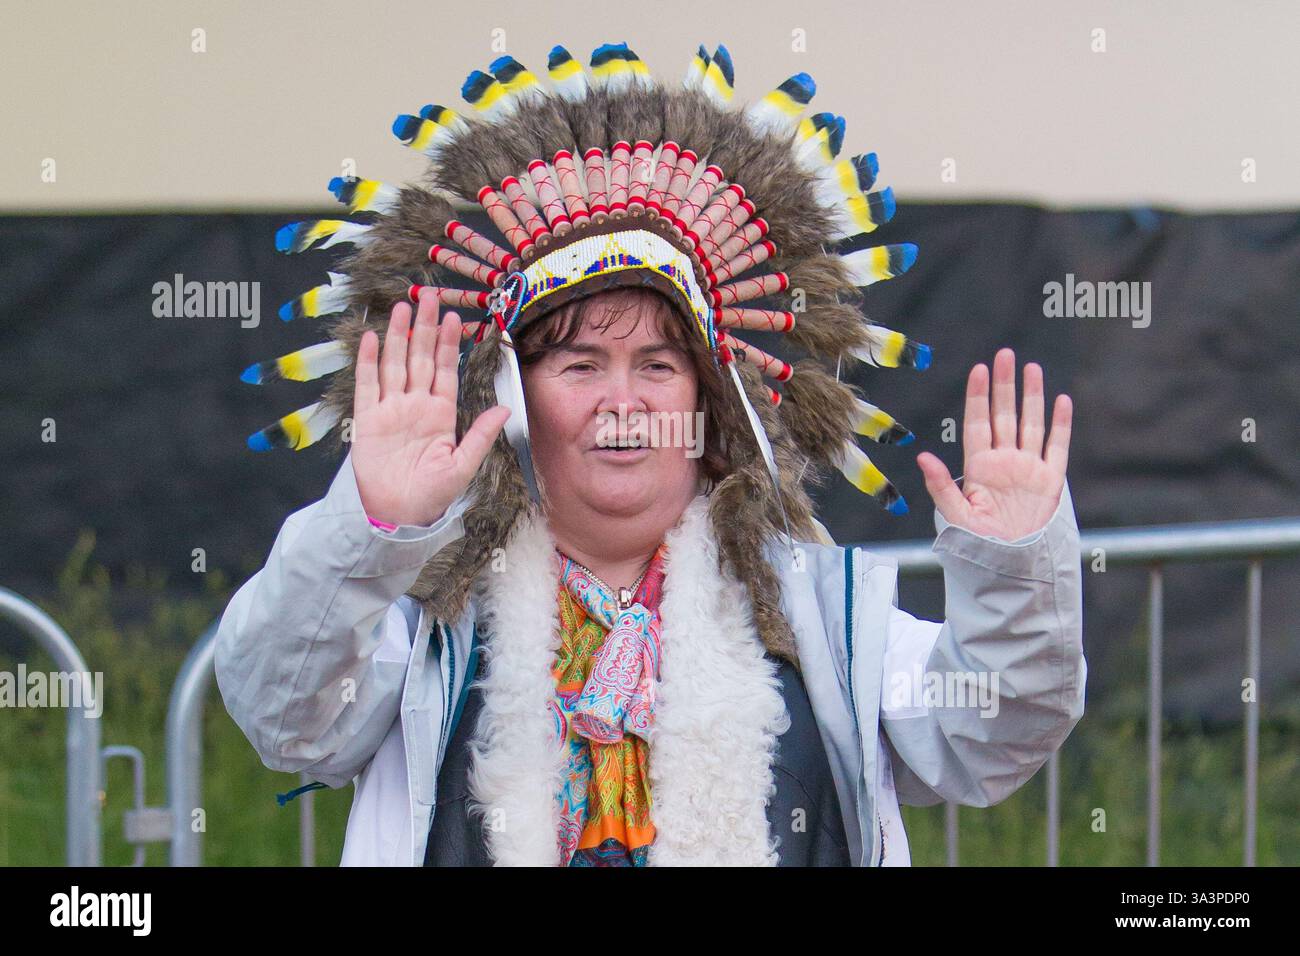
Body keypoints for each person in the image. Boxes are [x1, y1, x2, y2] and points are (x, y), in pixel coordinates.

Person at [216, 40, 1085, 866]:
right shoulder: (428, 622)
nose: (622, 402)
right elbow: (284, 714)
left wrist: (1013, 575)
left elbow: (992, 735)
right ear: (515, 399)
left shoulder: (821, 620)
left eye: (658, 366)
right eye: (579, 363)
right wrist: (368, 531)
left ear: (706, 400)